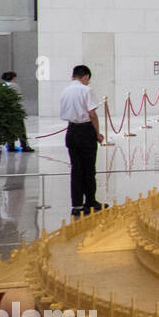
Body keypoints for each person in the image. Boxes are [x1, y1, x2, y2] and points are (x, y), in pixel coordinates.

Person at [60, 64, 107, 217]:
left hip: (71, 131)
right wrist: (98, 134)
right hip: (85, 131)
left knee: (76, 169)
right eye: (88, 79)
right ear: (86, 76)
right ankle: (90, 201)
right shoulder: (87, 90)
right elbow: (92, 114)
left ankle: (77, 205)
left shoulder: (65, 91)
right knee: (88, 168)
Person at [1, 71, 33, 153]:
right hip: (16, 111)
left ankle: (10, 145)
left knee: (9, 129)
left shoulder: (3, 85)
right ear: (13, 78)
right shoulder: (15, 85)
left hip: (7, 111)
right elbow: (19, 99)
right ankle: (24, 146)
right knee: (21, 129)